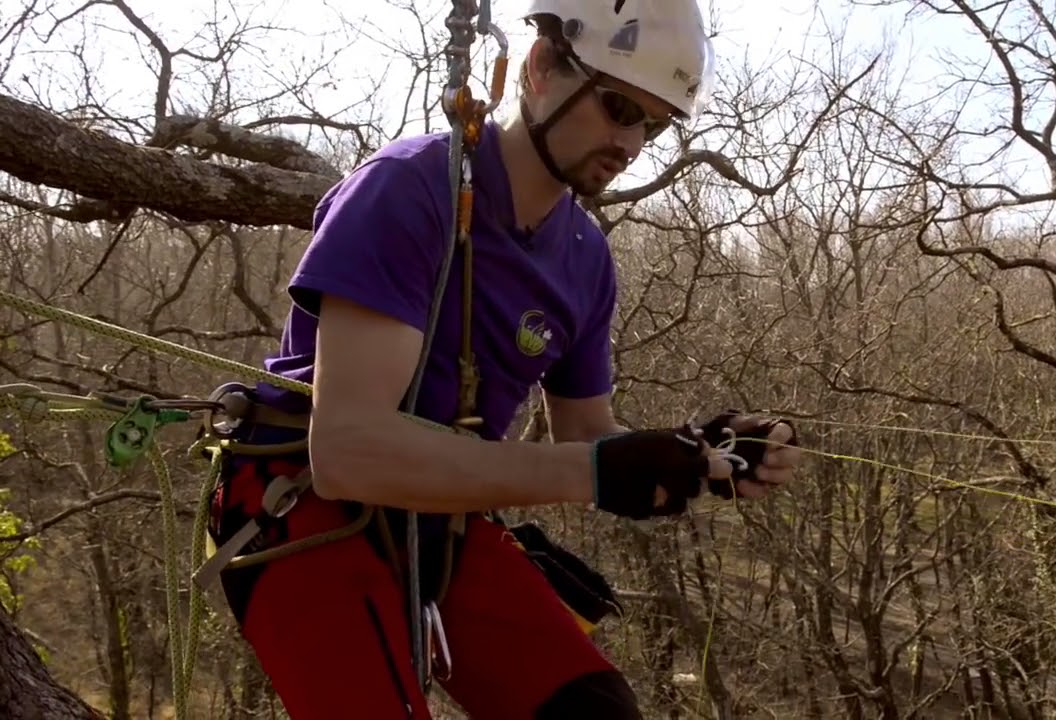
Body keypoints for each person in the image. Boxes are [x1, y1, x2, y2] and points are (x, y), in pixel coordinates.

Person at [203, 0, 802, 718]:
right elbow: (348, 450)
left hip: (442, 515)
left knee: (594, 711)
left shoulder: (584, 258)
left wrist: (695, 456)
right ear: (541, 67)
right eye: (617, 106)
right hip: (299, 503)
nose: (632, 141)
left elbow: (586, 435)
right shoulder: (407, 188)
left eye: (656, 122)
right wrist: (594, 473)